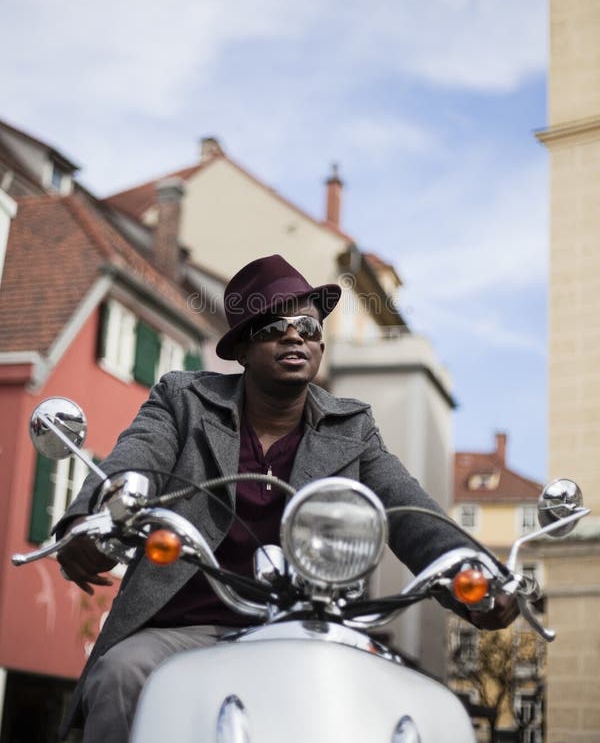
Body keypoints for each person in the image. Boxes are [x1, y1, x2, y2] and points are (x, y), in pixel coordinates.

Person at [55, 254, 518, 742]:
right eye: (274, 327)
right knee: (121, 673)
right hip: (186, 631)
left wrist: (479, 575)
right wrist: (94, 519)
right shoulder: (183, 400)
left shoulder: (352, 427)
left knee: (410, 709)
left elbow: (413, 513)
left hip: (312, 629)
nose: (294, 336)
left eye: (308, 327)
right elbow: (135, 457)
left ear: (319, 344)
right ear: (242, 348)